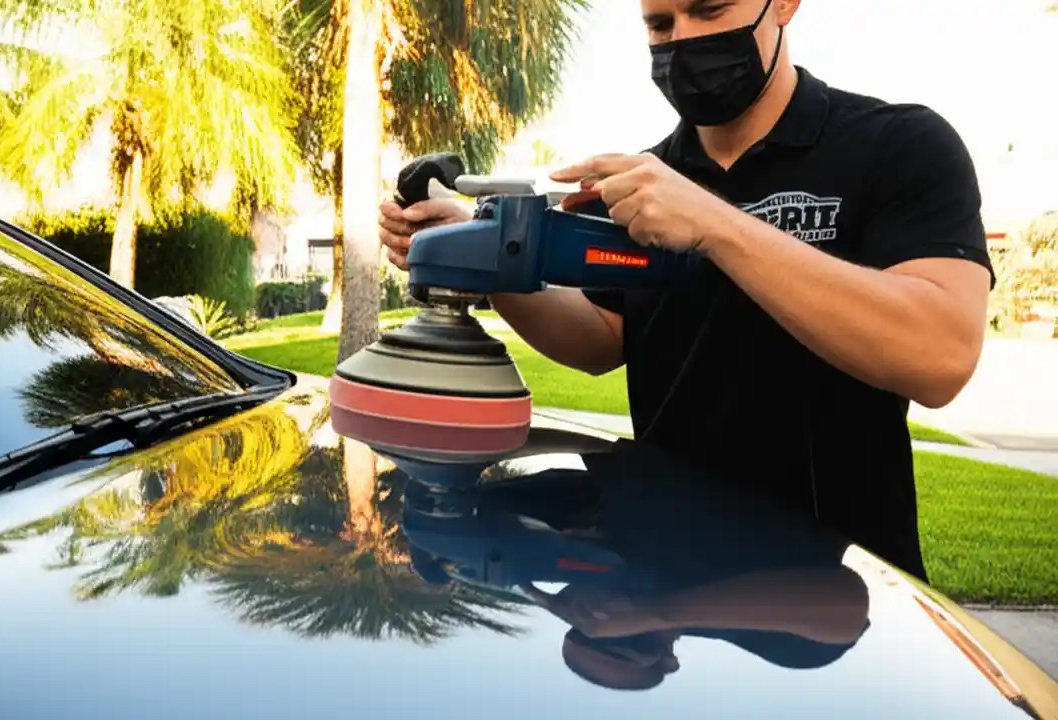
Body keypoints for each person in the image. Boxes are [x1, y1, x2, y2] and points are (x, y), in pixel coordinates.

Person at [377, 0, 995, 581]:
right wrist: (488, 259)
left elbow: (939, 356)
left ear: (784, 4)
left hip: (846, 593)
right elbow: (600, 337)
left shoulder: (899, 146)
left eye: (709, 9)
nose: (685, 41)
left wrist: (713, 224)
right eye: (661, 24)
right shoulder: (646, 184)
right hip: (664, 580)